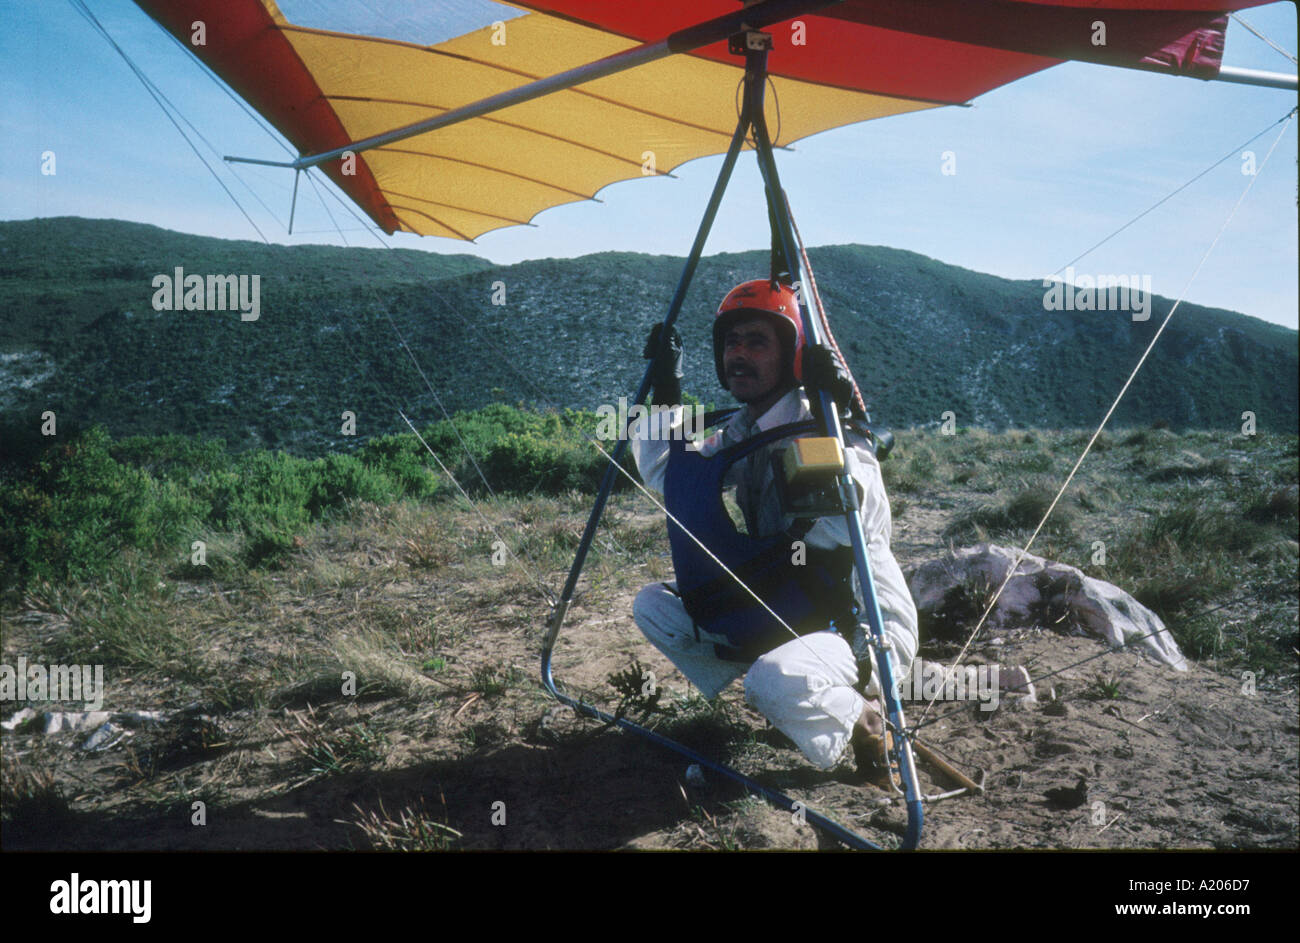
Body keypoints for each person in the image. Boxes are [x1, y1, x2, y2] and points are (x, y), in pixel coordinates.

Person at [629, 279, 918, 779]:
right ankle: (791, 692)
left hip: (855, 622)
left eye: (757, 342)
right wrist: (666, 392)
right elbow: (666, 471)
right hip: (781, 605)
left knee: (774, 679)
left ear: (790, 357)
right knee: (654, 606)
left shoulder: (823, 425)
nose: (738, 354)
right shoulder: (744, 429)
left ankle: (864, 717)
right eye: (731, 343)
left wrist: (840, 423)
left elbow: (860, 523)